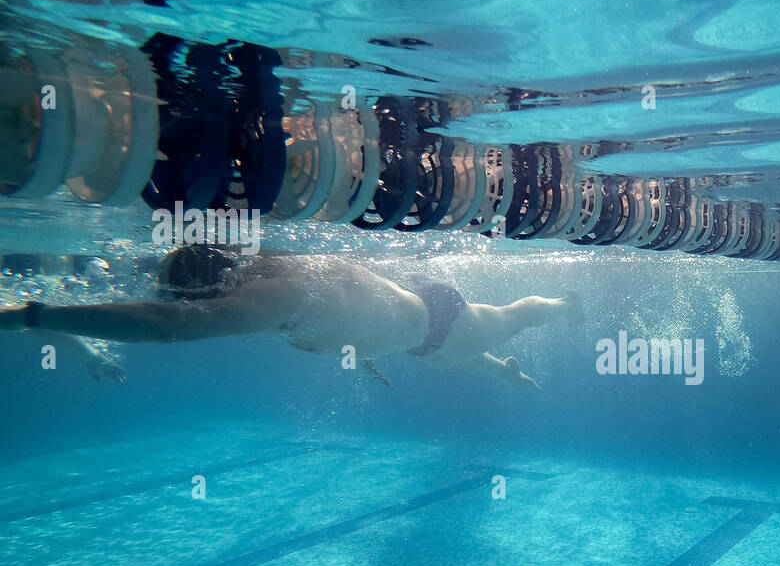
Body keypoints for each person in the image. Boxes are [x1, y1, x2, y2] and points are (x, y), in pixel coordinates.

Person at [0, 244, 582, 388]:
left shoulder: (273, 294)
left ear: (210, 293)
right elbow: (352, 321)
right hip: (416, 340)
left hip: (441, 317)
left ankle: (563, 304)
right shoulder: (266, 282)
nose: (213, 316)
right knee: (464, 366)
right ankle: (507, 372)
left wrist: (31, 316)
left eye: (200, 304)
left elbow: (168, 327)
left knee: (511, 316)